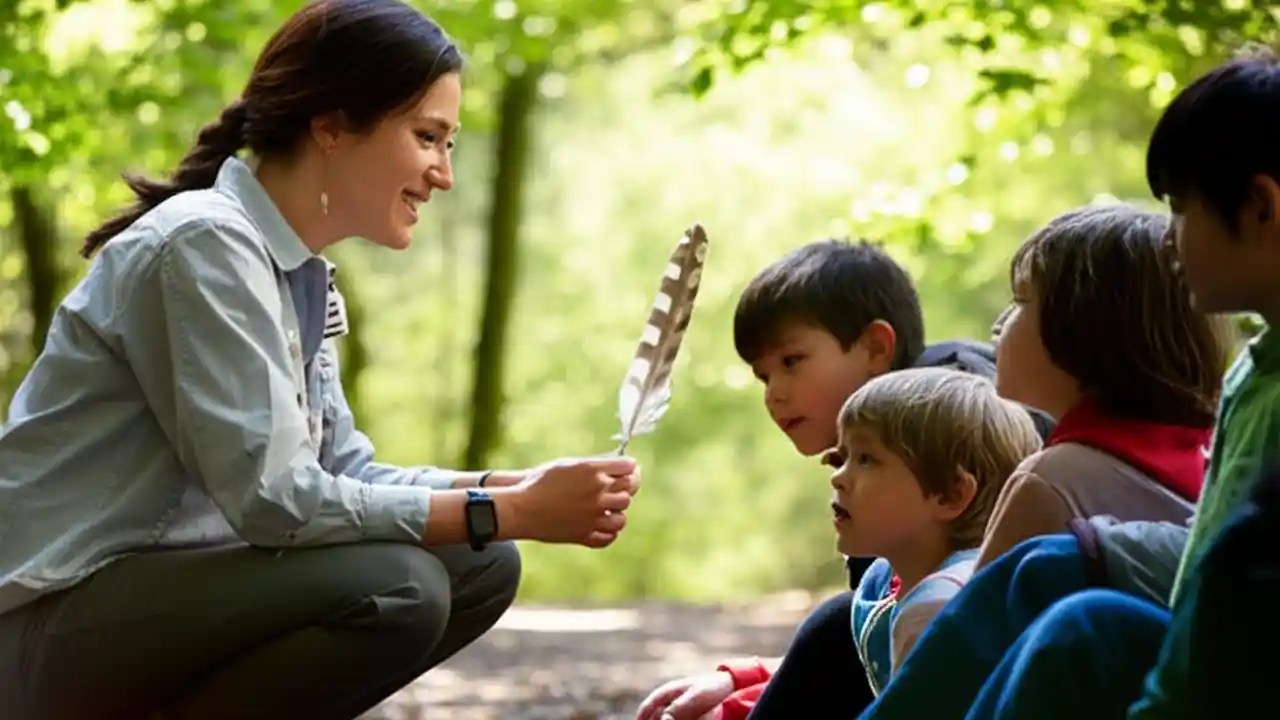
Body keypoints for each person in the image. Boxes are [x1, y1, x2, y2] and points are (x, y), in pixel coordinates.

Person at [0, 2, 638, 718]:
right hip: (43, 625)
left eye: (449, 143)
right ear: (332, 126)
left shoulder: (295, 272)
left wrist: (510, 488)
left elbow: (344, 472)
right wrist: (509, 508)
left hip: (149, 607)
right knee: (400, 585)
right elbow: (278, 501)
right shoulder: (203, 246)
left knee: (482, 563)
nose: (443, 173)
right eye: (428, 137)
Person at [860, 50, 1279, 720]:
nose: (1171, 244)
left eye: (1180, 209)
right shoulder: (1255, 373)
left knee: (1074, 620)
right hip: (1206, 641)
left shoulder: (1054, 479)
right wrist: (1105, 543)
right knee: (1060, 578)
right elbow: (1208, 548)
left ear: (1260, 207)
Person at [635, 240, 1052, 720]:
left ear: (876, 348)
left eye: (791, 362)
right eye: (763, 377)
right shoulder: (901, 466)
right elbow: (874, 648)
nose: (774, 395)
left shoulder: (942, 429)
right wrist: (746, 684)